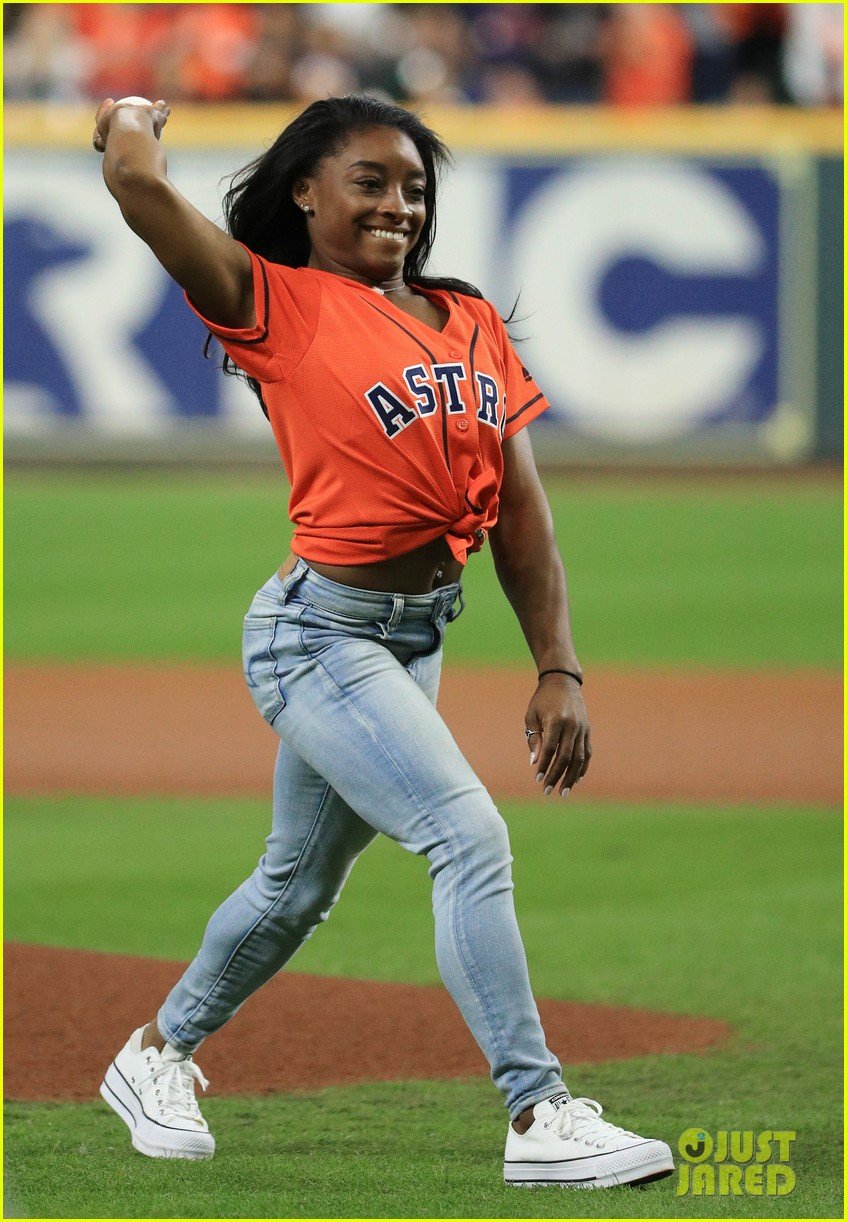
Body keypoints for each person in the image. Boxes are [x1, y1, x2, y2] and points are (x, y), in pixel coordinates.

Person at [93, 92, 674, 1189]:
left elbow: (521, 508)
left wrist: (559, 662)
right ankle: (539, 1110)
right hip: (317, 637)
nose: (398, 204)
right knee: (467, 835)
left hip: (413, 640)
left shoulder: (469, 320)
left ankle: (155, 1054)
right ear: (305, 194)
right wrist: (129, 113)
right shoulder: (276, 301)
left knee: (293, 887)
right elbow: (133, 180)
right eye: (370, 180)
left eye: (414, 187)